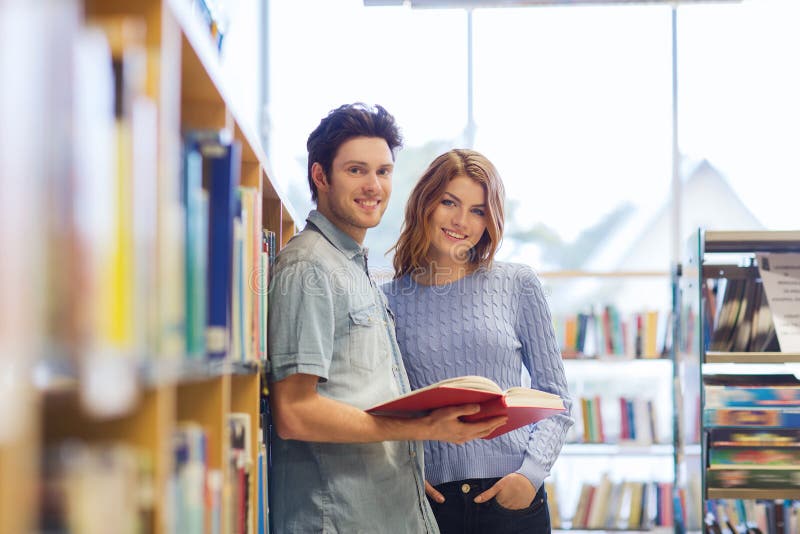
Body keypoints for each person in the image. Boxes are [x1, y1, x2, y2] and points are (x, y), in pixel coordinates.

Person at [267, 104, 508, 533]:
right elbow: (294, 411)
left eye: (383, 171)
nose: (373, 186)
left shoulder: (353, 266)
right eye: (356, 170)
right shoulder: (309, 267)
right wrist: (424, 428)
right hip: (339, 518)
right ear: (321, 177)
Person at [383, 149, 574, 533]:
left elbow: (557, 398)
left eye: (478, 210)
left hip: (513, 499)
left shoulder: (517, 284)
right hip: (429, 503)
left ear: (491, 220)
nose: (460, 221)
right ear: (425, 204)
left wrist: (529, 476)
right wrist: (404, 473)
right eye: (449, 202)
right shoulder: (387, 300)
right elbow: (384, 406)